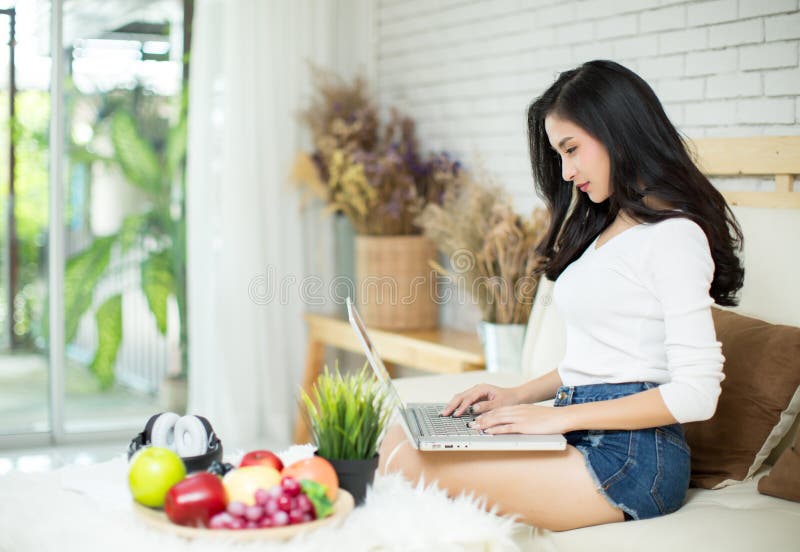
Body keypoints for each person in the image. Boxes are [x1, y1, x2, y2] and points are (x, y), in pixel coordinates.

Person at [377, 59, 745, 531]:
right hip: (582, 431)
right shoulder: (608, 228)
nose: (567, 171)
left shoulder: (675, 235)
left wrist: (554, 419)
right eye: (559, 155)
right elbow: (601, 359)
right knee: (397, 441)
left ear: (617, 131)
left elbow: (698, 394)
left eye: (572, 149)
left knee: (411, 466)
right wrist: (518, 395)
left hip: (635, 459)